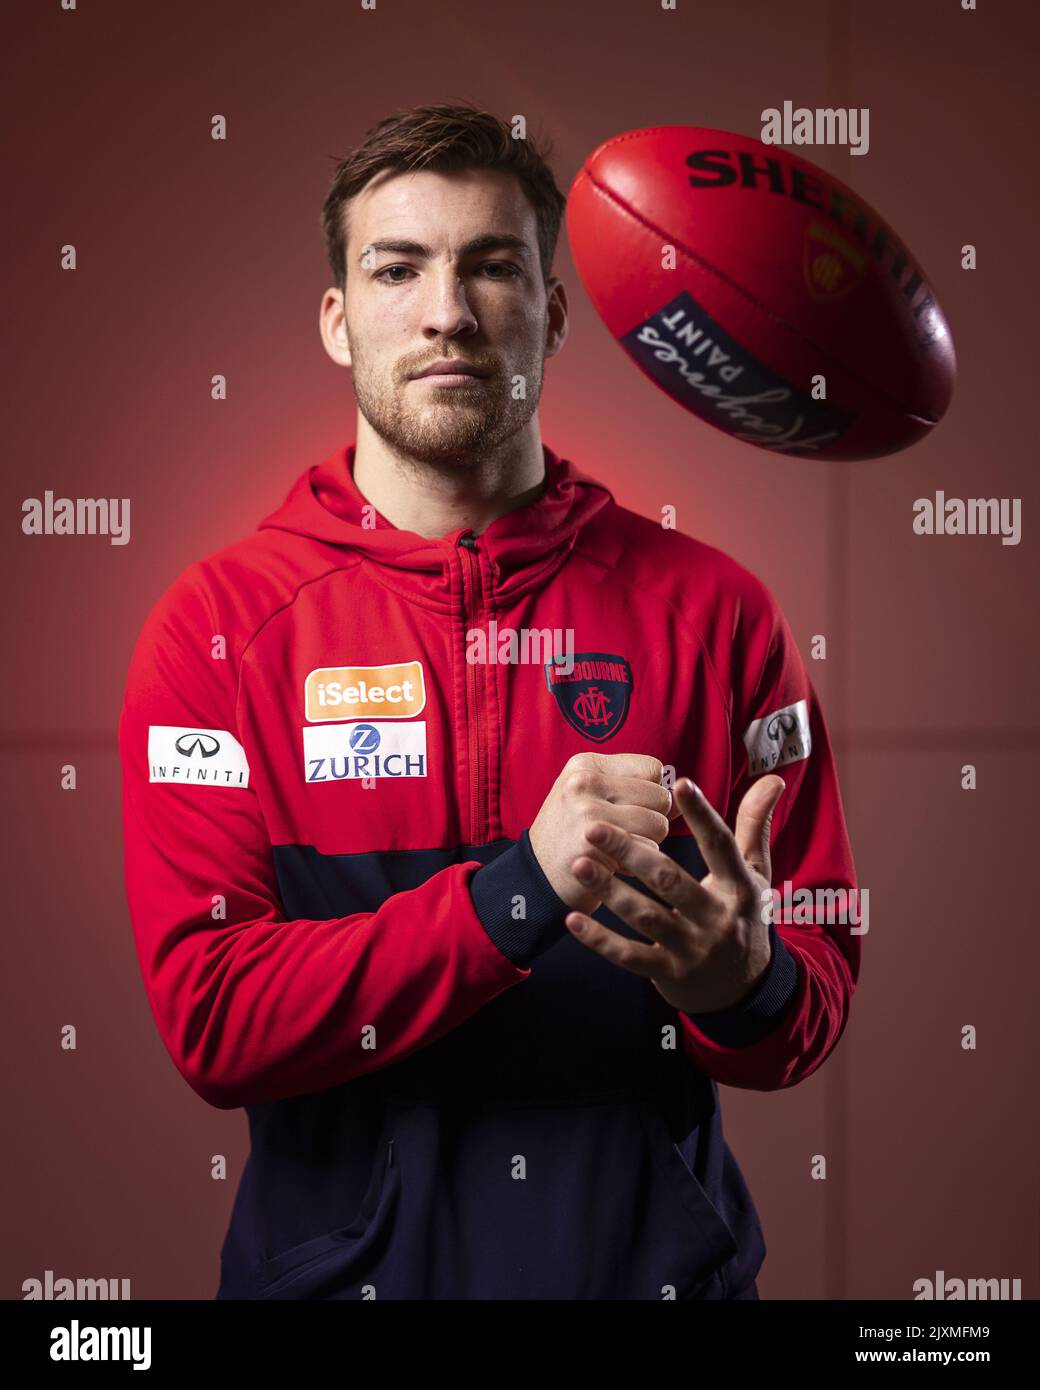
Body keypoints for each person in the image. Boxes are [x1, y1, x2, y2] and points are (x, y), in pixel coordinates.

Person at [118, 102, 860, 1300]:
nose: (446, 310)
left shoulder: (719, 617)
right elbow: (213, 1019)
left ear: (556, 310)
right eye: (395, 267)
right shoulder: (216, 633)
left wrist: (742, 982)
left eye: (493, 265)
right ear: (336, 318)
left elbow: (810, 996)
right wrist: (515, 892)